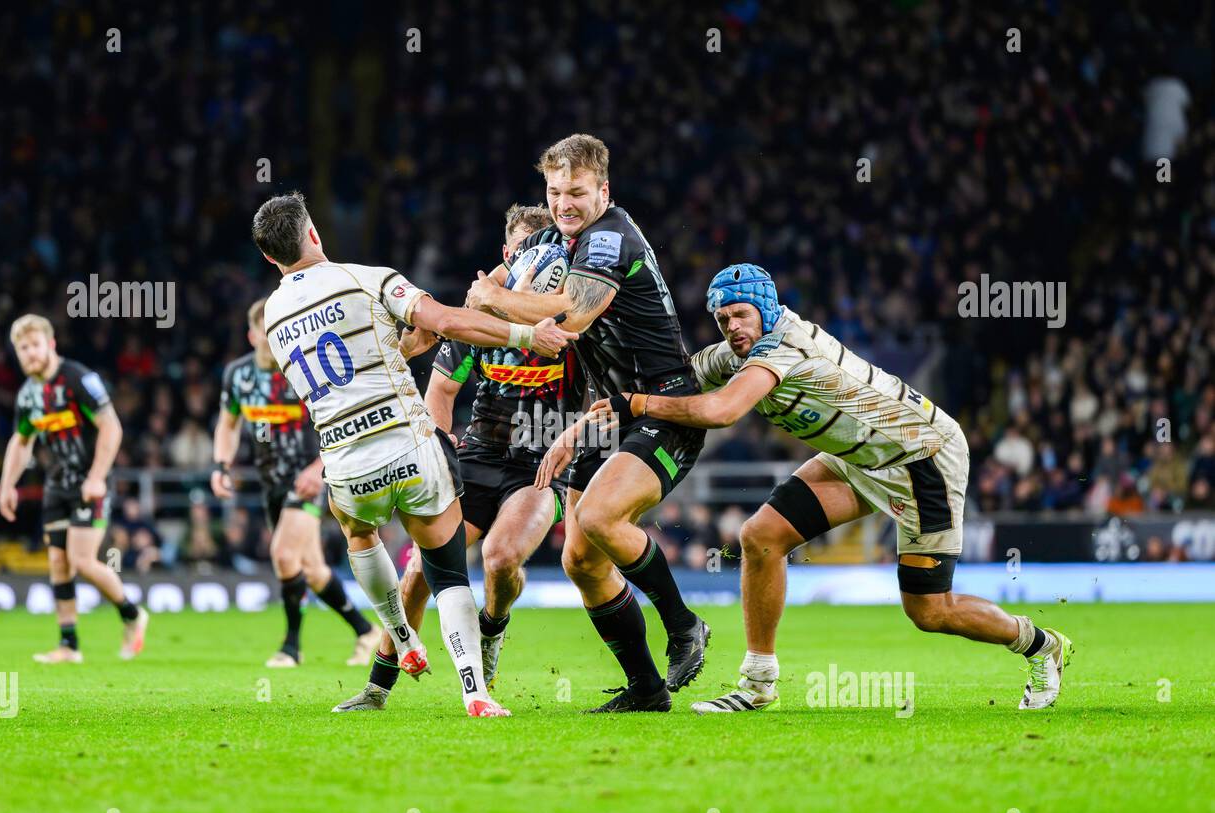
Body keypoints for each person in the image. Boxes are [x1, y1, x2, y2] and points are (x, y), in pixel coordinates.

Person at [579, 264, 1073, 712]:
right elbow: (682, 381)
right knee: (761, 537)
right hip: (858, 457)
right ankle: (757, 684)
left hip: (921, 457)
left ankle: (1041, 645)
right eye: (723, 319)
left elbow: (720, 411)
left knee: (929, 610)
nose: (732, 328)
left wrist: (636, 404)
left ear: (766, 309)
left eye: (741, 315)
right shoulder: (738, 351)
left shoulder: (783, 347)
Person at [252, 191, 576, 717]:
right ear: (314, 233)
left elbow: (340, 377)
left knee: (361, 536)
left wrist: (399, 351)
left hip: (345, 461)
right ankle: (475, 692)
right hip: (410, 446)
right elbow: (446, 322)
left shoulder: (272, 316)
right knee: (446, 572)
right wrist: (525, 334)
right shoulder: (367, 277)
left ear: (270, 258)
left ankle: (404, 642)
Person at [465, 134, 710, 713]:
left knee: (600, 517)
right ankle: (648, 690)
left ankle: (683, 627)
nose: (563, 203)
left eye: (576, 191)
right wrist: (489, 292)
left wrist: (490, 300)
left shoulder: (609, 239)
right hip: (605, 413)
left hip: (662, 405)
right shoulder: (558, 239)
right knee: (580, 559)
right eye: (554, 192)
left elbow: (570, 316)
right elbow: (511, 282)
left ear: (604, 189)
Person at [337, 203, 585, 711]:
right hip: (476, 459)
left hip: (537, 468)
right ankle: (377, 688)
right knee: (416, 575)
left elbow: (599, 398)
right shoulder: (477, 323)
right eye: (521, 254)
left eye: (543, 258)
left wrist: (576, 441)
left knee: (500, 559)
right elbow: (442, 394)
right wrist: (440, 447)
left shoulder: (574, 328)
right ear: (506, 256)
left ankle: (491, 629)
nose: (531, 268)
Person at [212, 297, 383, 668]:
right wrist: (221, 465)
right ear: (252, 334)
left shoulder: (304, 370)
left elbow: (341, 421)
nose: (273, 340)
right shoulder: (237, 375)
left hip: (309, 479)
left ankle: (291, 647)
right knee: (312, 569)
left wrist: (316, 467)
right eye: (266, 333)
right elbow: (228, 424)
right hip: (270, 480)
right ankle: (365, 630)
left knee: (283, 555)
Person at [0, 314, 149, 663]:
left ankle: (132, 614)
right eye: (23, 348)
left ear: (50, 345)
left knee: (81, 560)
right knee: (57, 563)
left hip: (89, 484)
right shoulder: (29, 395)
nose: (30, 353)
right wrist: (8, 484)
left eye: (34, 345)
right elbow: (21, 443)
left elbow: (111, 427)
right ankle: (69, 645)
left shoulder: (78, 379)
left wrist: (96, 477)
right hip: (57, 485)